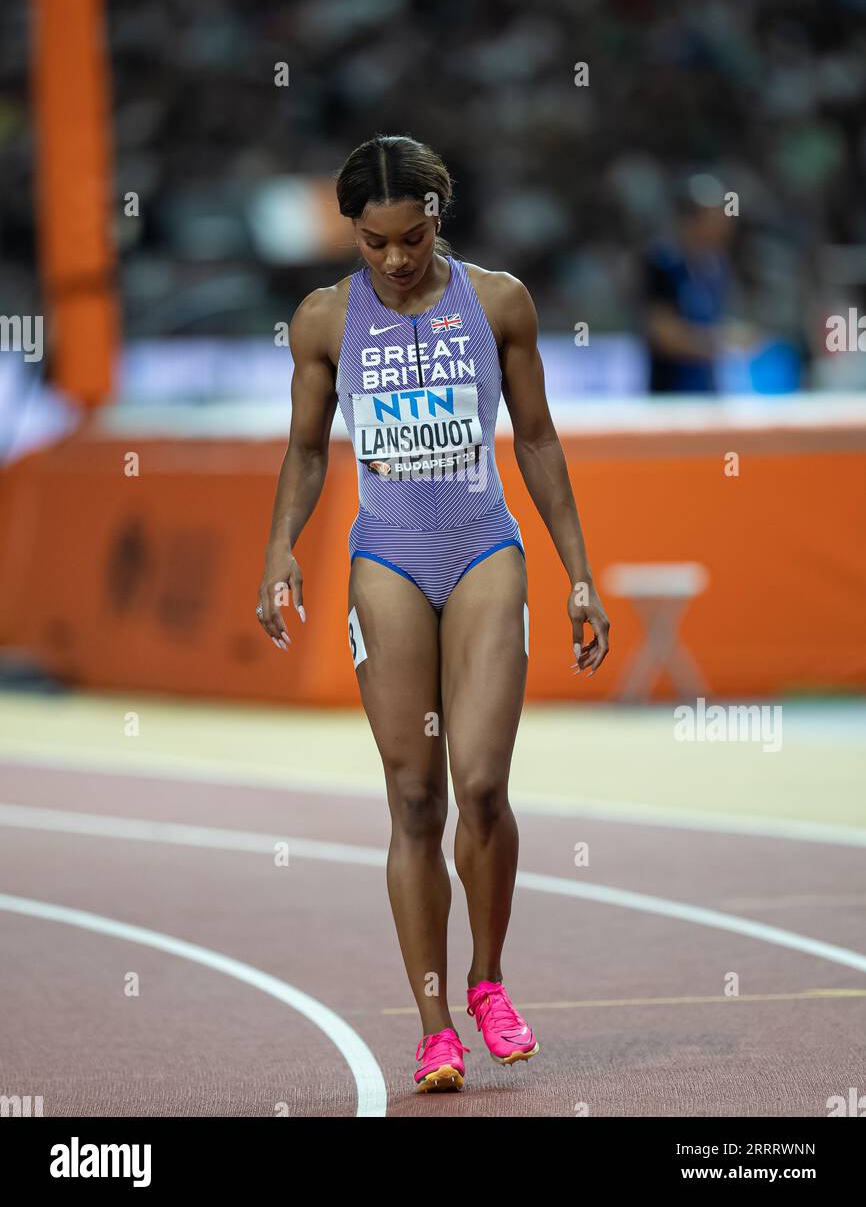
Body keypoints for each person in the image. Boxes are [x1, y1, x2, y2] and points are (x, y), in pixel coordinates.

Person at [257, 134, 610, 1092]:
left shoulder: (498, 301)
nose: (395, 260)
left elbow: (535, 437)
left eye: (409, 238)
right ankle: (433, 1024)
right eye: (374, 244)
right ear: (353, 236)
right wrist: (280, 548)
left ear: (437, 215)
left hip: (486, 548)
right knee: (416, 797)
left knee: (483, 784)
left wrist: (579, 572)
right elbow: (303, 450)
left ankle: (488, 982)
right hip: (389, 560)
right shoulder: (325, 321)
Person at [644, 174, 738, 394]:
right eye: (715, 215)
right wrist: (721, 342)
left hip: (707, 393)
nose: (724, 223)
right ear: (692, 219)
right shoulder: (664, 262)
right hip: (671, 397)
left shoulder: (717, 266)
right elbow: (662, 335)